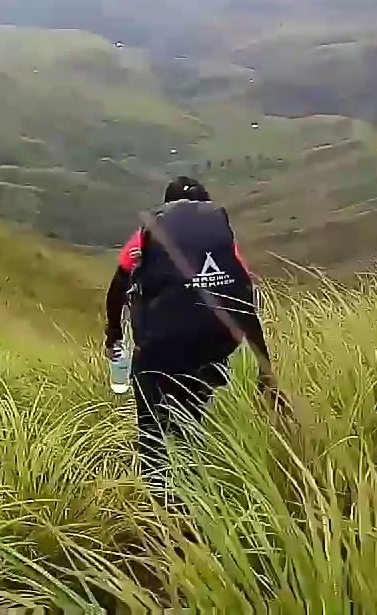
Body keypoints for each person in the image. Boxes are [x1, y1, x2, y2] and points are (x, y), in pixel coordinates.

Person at [104, 176, 274, 498]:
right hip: (216, 342)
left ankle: (159, 507)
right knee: (190, 416)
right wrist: (266, 370)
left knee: (153, 423)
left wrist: (113, 334)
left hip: (162, 343)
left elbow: (118, 288)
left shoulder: (148, 234)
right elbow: (243, 298)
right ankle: (195, 497)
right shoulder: (223, 241)